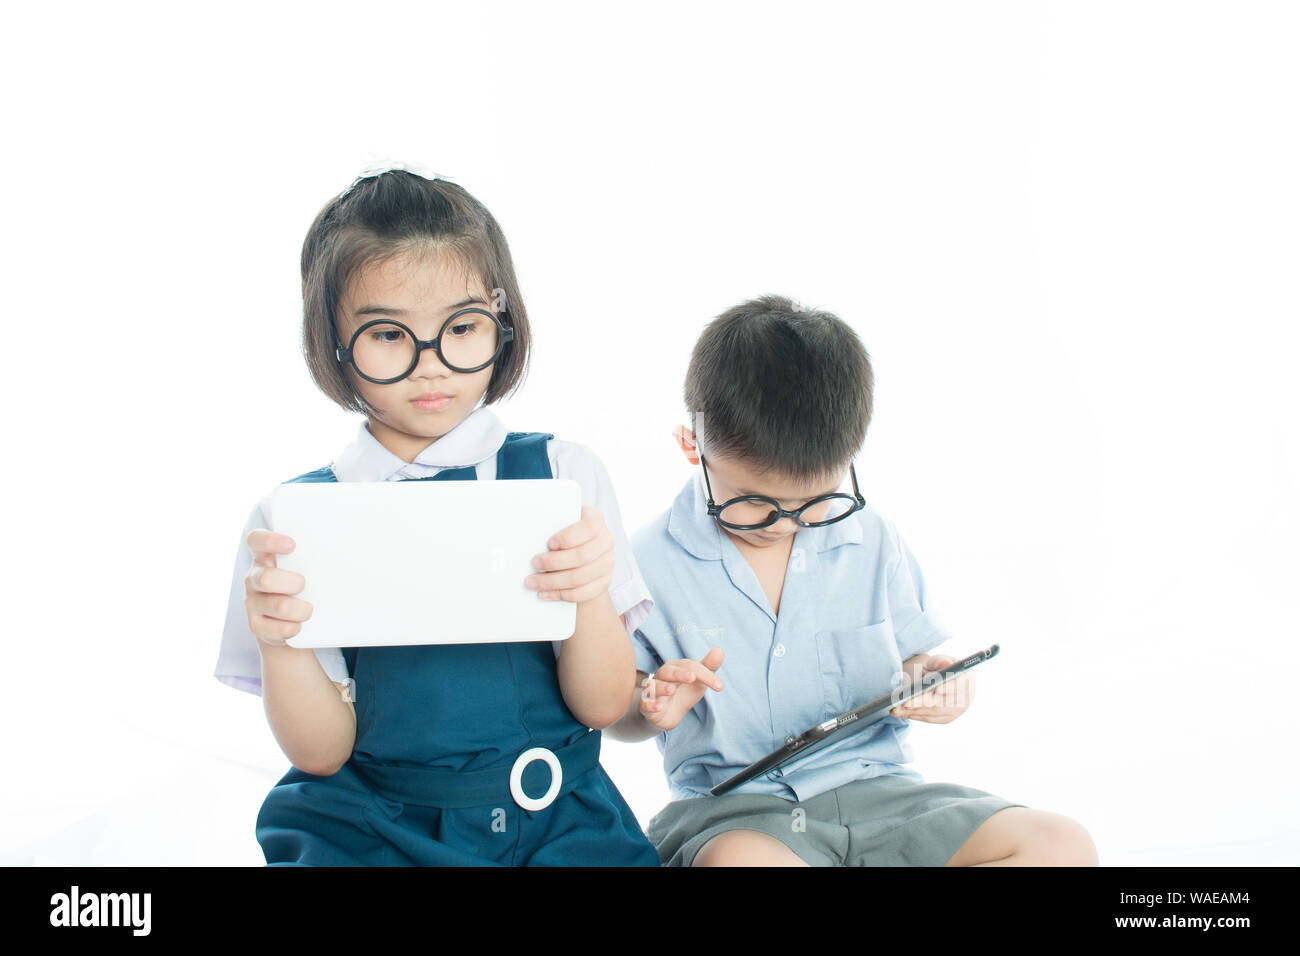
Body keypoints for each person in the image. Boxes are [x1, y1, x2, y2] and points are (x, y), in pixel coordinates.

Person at [215, 168, 658, 867]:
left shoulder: (564, 476)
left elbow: (603, 703)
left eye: (460, 328)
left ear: (500, 321)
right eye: (389, 335)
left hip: (557, 821)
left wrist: (589, 593)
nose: (431, 367)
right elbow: (320, 752)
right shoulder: (293, 518)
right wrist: (282, 642)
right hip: (371, 827)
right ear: (333, 341)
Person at [608, 295, 1098, 867]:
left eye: (814, 503)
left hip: (882, 798)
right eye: (755, 503)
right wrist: (651, 705)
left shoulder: (874, 539)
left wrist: (932, 683)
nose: (786, 523)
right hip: (738, 815)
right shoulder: (644, 561)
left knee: (1062, 844)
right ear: (691, 446)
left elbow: (911, 663)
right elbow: (618, 715)